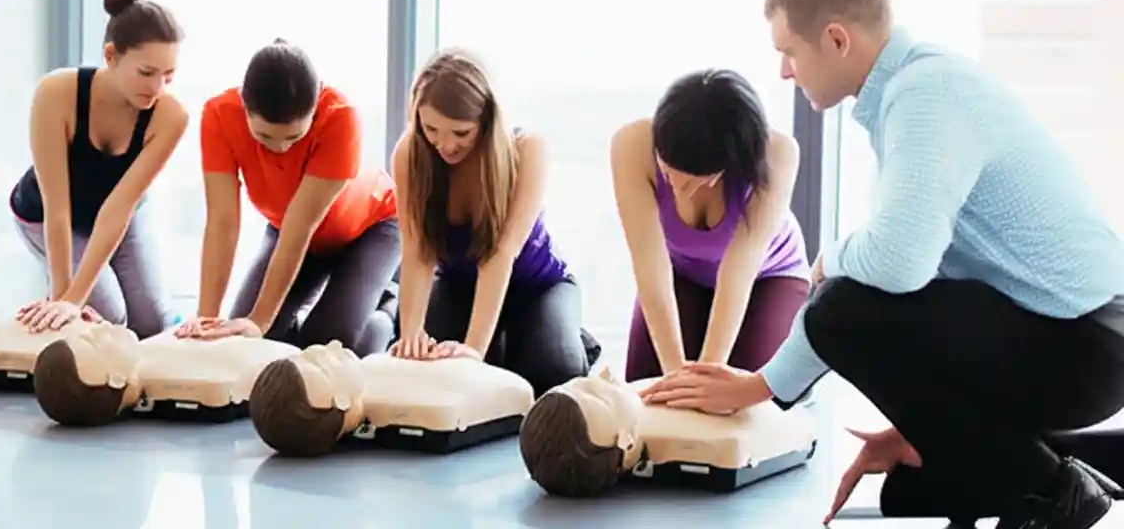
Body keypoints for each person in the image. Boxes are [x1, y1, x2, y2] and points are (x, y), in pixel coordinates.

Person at [647, 0, 1124, 528]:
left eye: (789, 51)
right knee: (910, 494)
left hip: (1084, 344)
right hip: (1064, 336)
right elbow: (924, 278)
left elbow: (897, 266)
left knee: (841, 305)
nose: (784, 71)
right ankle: (1085, 463)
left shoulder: (925, 97)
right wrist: (913, 422)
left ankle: (1057, 492)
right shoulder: (917, 88)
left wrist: (828, 262)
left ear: (837, 39)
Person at [175, 40, 400, 356]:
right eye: (264, 136)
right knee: (243, 337)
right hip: (288, 230)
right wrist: (206, 320)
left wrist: (260, 320)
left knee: (327, 343)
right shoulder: (219, 115)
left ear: (315, 107)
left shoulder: (341, 117)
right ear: (244, 106)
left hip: (371, 229)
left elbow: (301, 226)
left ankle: (388, 306)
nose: (280, 148)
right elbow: (223, 222)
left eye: (294, 137)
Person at [387, 49, 593, 396]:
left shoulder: (527, 150)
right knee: (427, 368)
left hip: (539, 286)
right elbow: (417, 252)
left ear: (486, 121)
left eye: (461, 132)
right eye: (432, 128)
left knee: (552, 373)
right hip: (459, 286)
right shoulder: (410, 154)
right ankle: (498, 344)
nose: (445, 145)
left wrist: (474, 352)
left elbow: (500, 253)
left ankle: (561, 339)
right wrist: (410, 333)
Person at [611, 68, 809, 391]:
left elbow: (739, 271)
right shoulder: (631, 145)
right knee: (647, 386)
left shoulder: (778, 154)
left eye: (691, 179)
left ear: (724, 167)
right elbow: (650, 267)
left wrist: (706, 378)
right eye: (666, 169)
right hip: (683, 271)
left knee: (745, 393)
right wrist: (678, 379)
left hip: (768, 275)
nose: (674, 184)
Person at [11, 0, 187, 338]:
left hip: (118, 216)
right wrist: (65, 299)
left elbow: (119, 209)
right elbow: (56, 208)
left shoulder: (171, 117)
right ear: (111, 56)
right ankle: (49, 299)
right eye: (146, 72)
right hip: (48, 215)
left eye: (167, 76)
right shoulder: (55, 93)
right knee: (107, 317)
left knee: (150, 324)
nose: (157, 89)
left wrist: (73, 299)